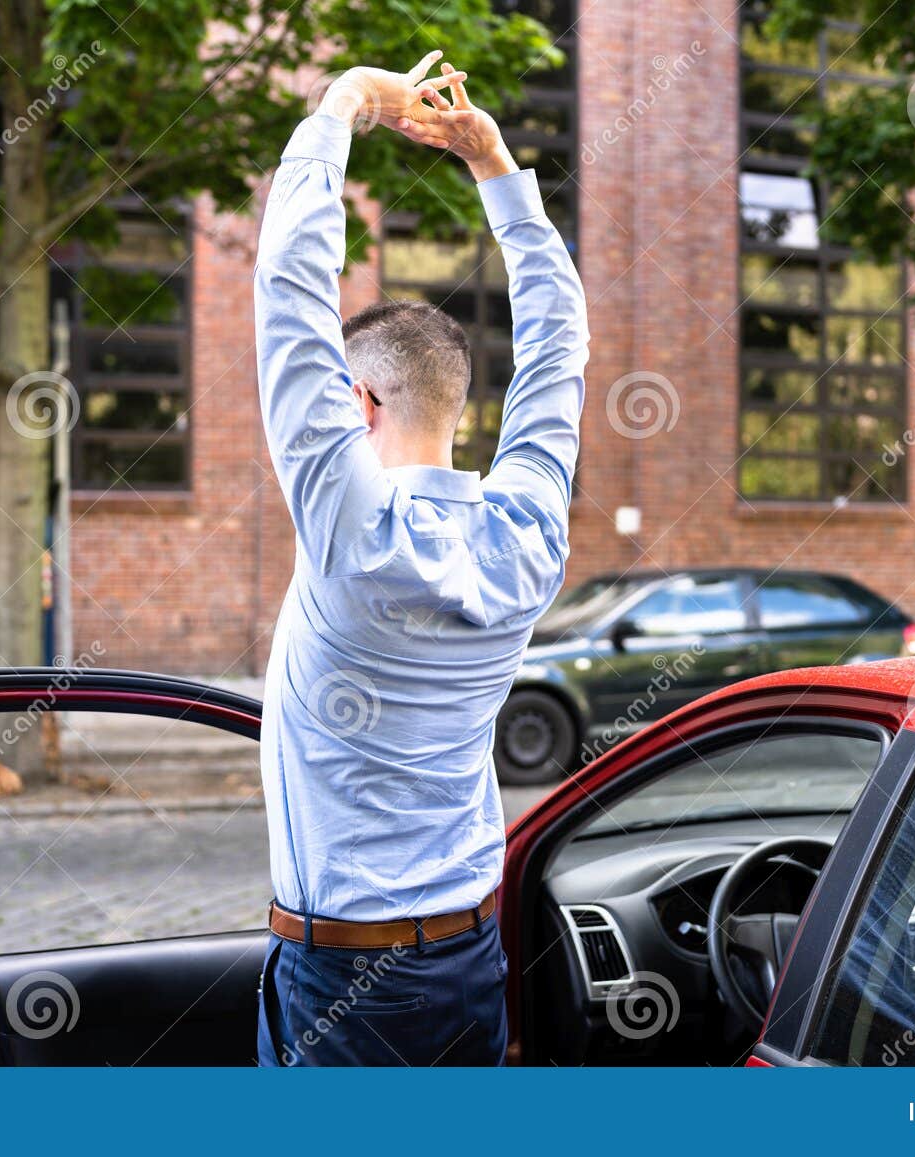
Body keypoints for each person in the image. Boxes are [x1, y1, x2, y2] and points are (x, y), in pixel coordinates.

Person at [252, 51, 589, 1066]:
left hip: (339, 985)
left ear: (359, 407)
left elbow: (287, 287)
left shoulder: (349, 530)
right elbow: (559, 347)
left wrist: (346, 101)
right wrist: (496, 170)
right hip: (467, 958)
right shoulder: (525, 537)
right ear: (463, 408)